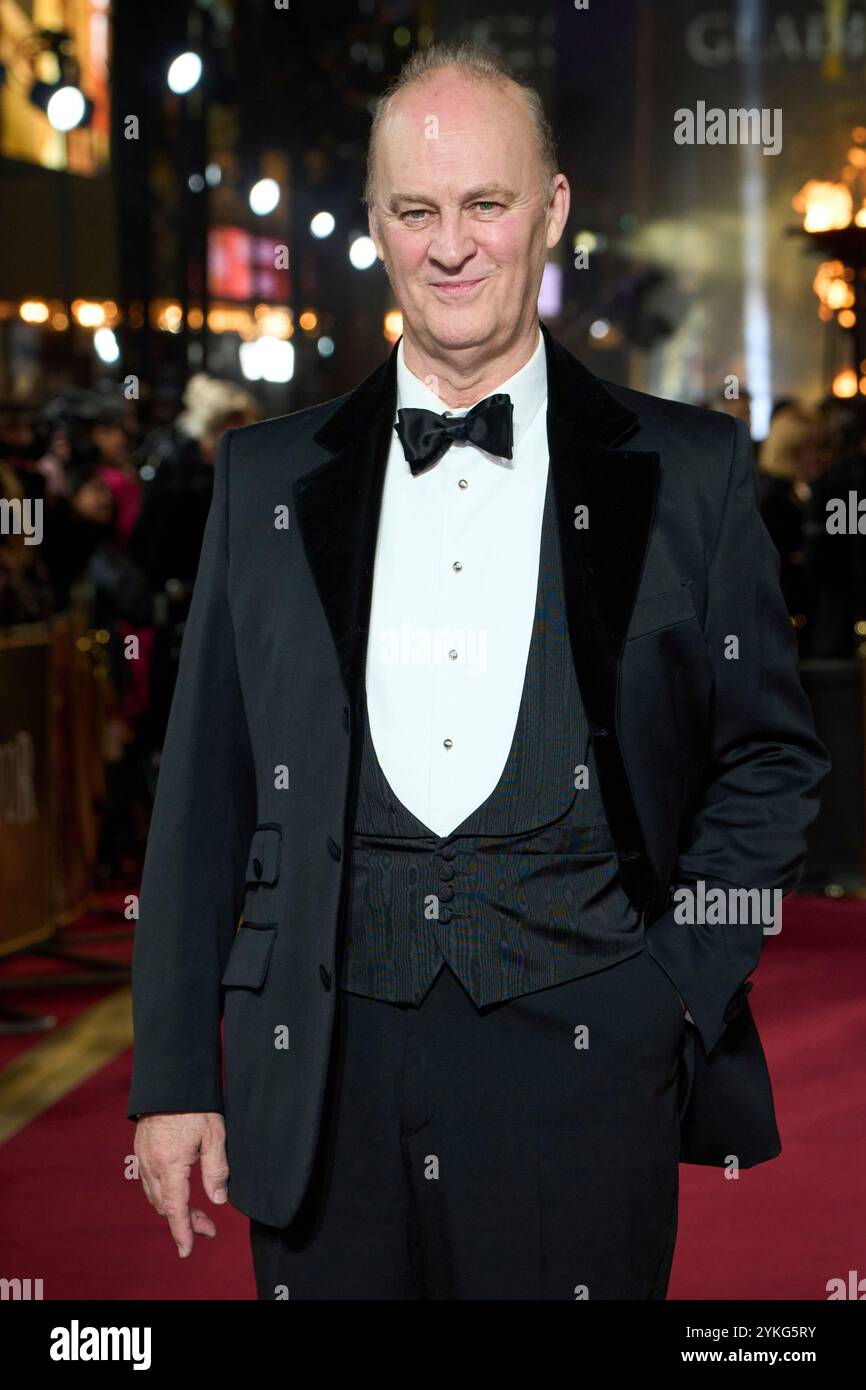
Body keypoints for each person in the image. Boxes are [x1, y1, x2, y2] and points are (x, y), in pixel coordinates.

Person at [128, 42, 831, 1300]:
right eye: (416, 210)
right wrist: (175, 1077)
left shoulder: (689, 474)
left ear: (549, 210)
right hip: (325, 1063)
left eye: (484, 205)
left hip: (583, 1063)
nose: (450, 246)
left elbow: (768, 758)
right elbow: (199, 806)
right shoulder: (265, 480)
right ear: (380, 226)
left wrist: (673, 990)